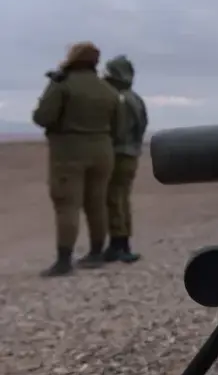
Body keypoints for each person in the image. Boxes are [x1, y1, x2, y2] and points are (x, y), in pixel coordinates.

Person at [32, 42, 124, 277]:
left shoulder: (63, 84)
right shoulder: (108, 90)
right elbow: (118, 127)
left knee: (67, 205)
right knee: (97, 203)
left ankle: (64, 260)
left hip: (69, 153)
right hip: (102, 151)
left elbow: (43, 117)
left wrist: (52, 86)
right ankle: (96, 253)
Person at [102, 55, 148, 264]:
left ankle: (118, 244)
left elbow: (118, 130)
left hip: (119, 153)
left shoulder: (120, 98)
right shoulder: (135, 98)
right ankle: (123, 242)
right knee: (122, 199)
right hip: (131, 153)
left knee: (114, 199)